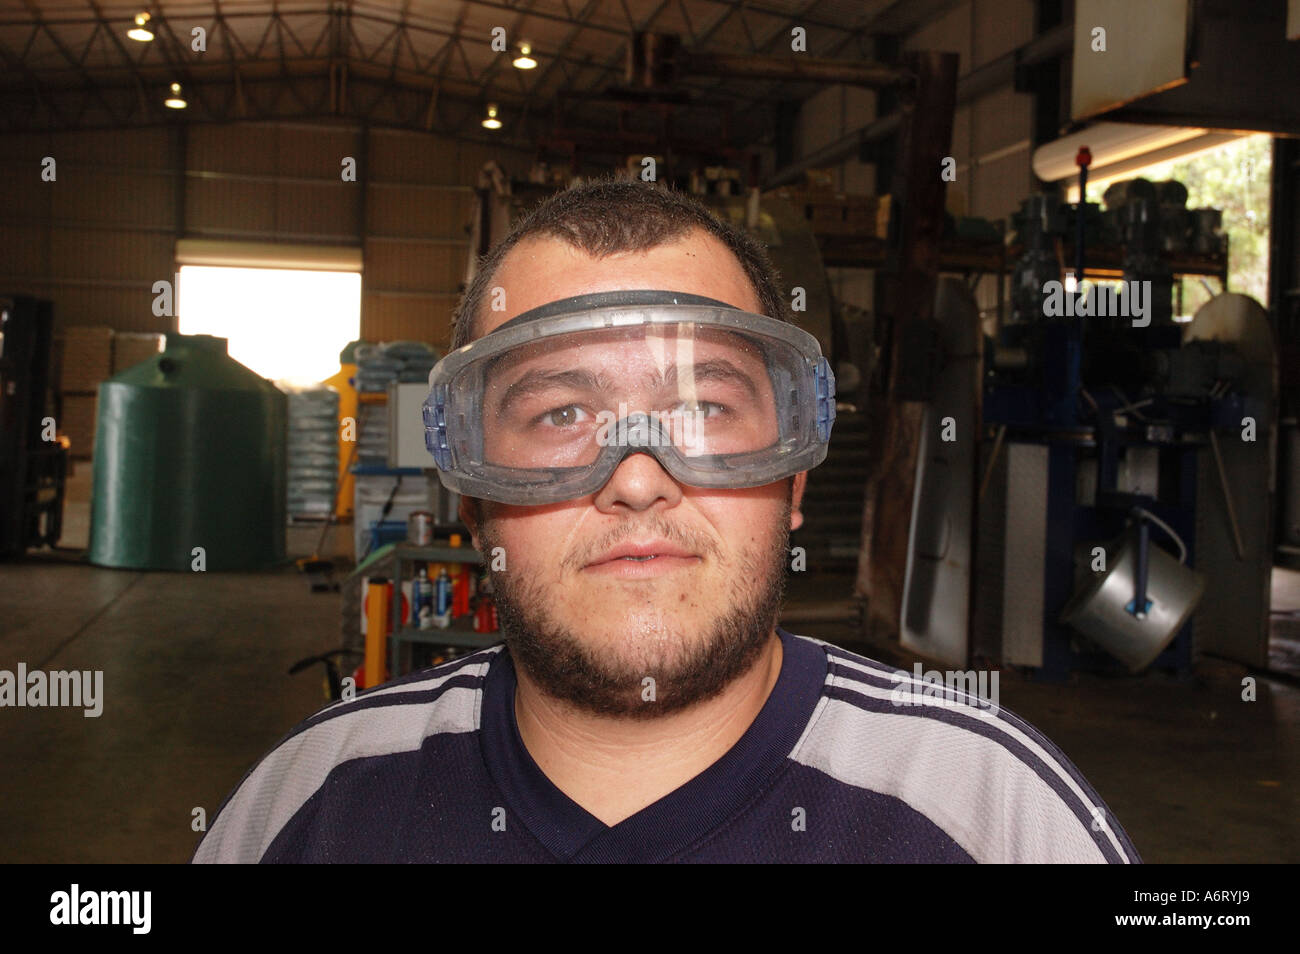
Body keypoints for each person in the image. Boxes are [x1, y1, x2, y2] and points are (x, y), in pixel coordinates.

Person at [193, 177, 1140, 863]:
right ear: (476, 495)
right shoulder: (309, 807)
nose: (639, 481)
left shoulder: (998, 819)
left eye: (706, 409)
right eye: (562, 414)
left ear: (796, 477)